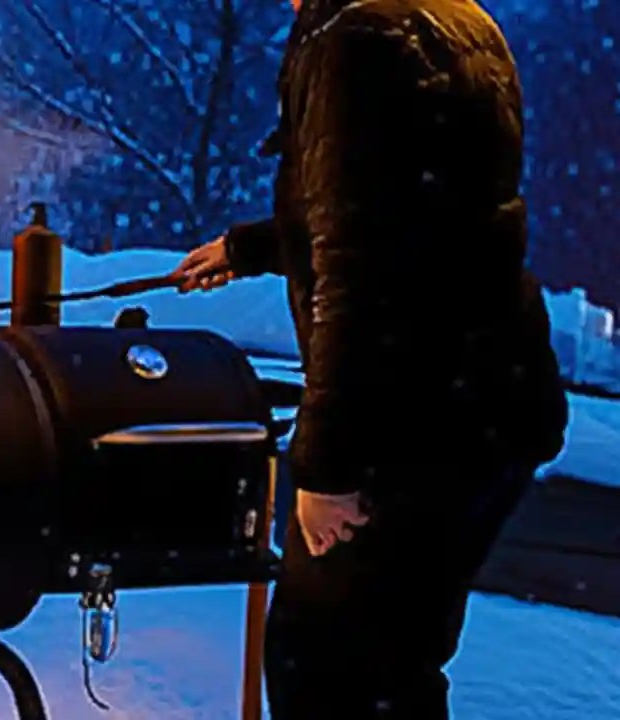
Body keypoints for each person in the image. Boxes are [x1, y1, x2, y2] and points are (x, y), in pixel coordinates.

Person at [172, 0, 569, 717]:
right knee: (394, 667)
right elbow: (417, 209)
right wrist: (254, 246)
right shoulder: (455, 17)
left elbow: (362, 272)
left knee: (327, 669)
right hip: (491, 400)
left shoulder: (356, 39)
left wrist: (327, 470)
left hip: (413, 421)